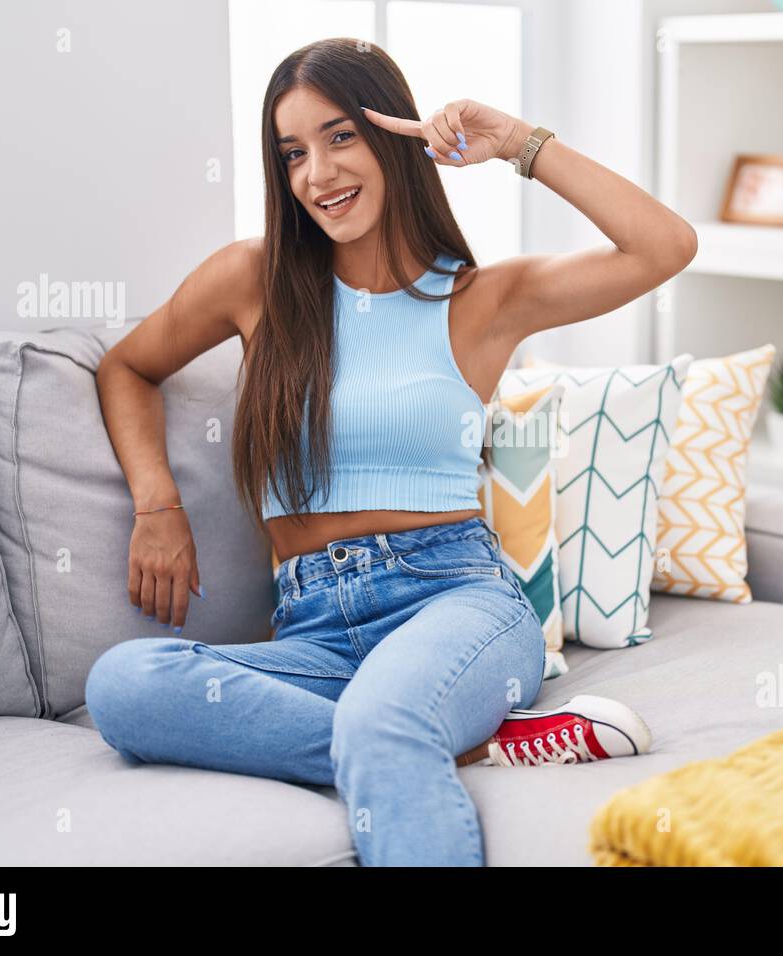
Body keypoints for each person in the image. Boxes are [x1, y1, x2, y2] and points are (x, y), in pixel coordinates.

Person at [84, 37, 698, 866]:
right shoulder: (251, 280)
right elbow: (129, 367)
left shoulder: (481, 299)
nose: (317, 175)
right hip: (311, 629)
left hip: (455, 599)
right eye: (293, 153)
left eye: (341, 137)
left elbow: (664, 246)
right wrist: (157, 504)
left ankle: (394, 735)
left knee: (385, 718)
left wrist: (518, 143)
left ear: (394, 139)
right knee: (124, 688)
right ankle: (470, 745)